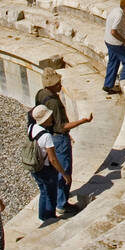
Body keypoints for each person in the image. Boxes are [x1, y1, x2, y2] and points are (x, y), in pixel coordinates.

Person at [35, 69, 93, 214]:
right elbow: (61, 127)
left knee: (55, 170)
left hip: (47, 135)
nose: (60, 85)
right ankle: (62, 204)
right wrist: (83, 121)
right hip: (59, 138)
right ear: (51, 85)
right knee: (64, 171)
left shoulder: (40, 94)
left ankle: (57, 198)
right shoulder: (54, 102)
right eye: (57, 83)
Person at [25, 106, 73, 223]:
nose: (52, 118)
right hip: (46, 169)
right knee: (51, 194)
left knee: (43, 192)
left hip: (35, 166)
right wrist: (64, 174)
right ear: (44, 119)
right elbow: (53, 159)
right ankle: (50, 218)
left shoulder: (32, 127)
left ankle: (43, 217)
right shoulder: (47, 137)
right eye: (49, 116)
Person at [104, 0, 125, 94]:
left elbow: (119, 27)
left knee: (113, 62)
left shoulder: (117, 10)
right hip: (115, 43)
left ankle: (108, 85)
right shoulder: (119, 15)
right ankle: (123, 81)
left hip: (108, 41)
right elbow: (113, 31)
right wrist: (124, 41)